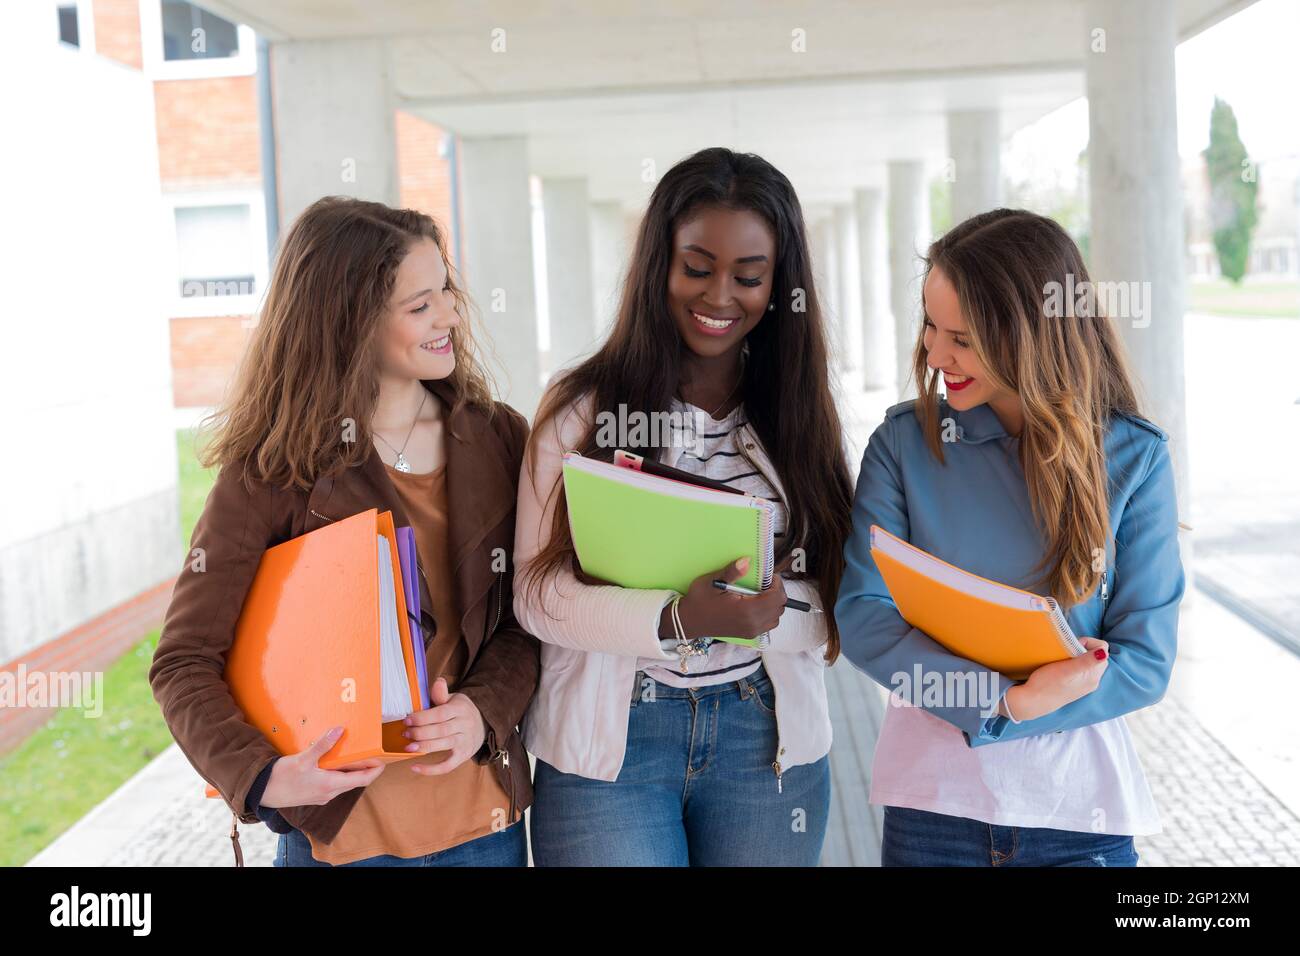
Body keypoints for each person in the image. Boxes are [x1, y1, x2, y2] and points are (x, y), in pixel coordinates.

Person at [150, 196, 539, 866]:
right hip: (340, 841)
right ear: (352, 322)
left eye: (445, 291)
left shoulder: (498, 435)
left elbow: (528, 615)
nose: (449, 314)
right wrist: (264, 778)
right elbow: (183, 661)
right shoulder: (271, 470)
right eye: (419, 306)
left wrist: (482, 709)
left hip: (483, 826)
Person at [514, 147, 853, 866]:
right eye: (696, 268)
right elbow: (537, 597)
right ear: (657, 266)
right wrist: (677, 619)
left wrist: (767, 614)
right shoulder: (579, 410)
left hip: (765, 744)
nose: (720, 296)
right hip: (614, 748)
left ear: (779, 284)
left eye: (749, 277)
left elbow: (839, 599)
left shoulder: (802, 415)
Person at [835, 208, 1184, 867]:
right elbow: (863, 617)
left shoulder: (1135, 458)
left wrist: (1029, 709)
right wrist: (998, 702)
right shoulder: (903, 446)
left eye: (962, 339)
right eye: (931, 327)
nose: (936, 356)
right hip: (933, 813)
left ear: (1033, 336)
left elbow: (1146, 659)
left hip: (1079, 818)